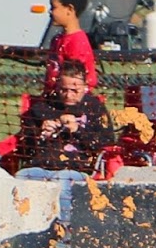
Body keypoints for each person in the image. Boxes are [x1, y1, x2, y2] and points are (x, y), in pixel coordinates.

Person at [13, 60, 115, 228]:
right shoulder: (42, 108)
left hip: (77, 168)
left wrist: (77, 130)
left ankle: (63, 239)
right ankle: (24, 235)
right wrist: (40, 133)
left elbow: (106, 143)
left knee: (62, 180)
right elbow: (25, 146)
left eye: (74, 90)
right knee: (21, 178)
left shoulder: (95, 108)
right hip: (42, 166)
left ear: (85, 87)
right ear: (57, 86)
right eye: (63, 90)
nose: (69, 95)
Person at [43, 0, 97, 93]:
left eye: (54, 7)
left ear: (69, 10)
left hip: (70, 100)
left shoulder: (76, 42)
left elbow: (76, 82)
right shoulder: (57, 39)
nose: (50, 11)